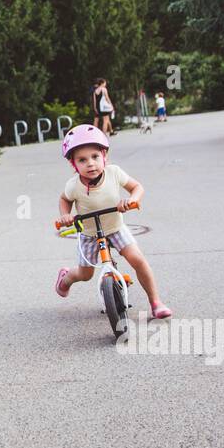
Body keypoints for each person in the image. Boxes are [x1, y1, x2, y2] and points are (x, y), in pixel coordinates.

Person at [52, 124, 171, 319]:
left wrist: (132, 200)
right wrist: (65, 215)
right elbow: (64, 199)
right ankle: (66, 278)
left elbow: (137, 187)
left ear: (104, 156)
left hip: (115, 227)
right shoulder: (73, 185)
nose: (90, 163)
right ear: (73, 164)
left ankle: (156, 302)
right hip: (90, 234)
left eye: (95, 157)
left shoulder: (114, 172)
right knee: (85, 274)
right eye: (82, 160)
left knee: (138, 260)